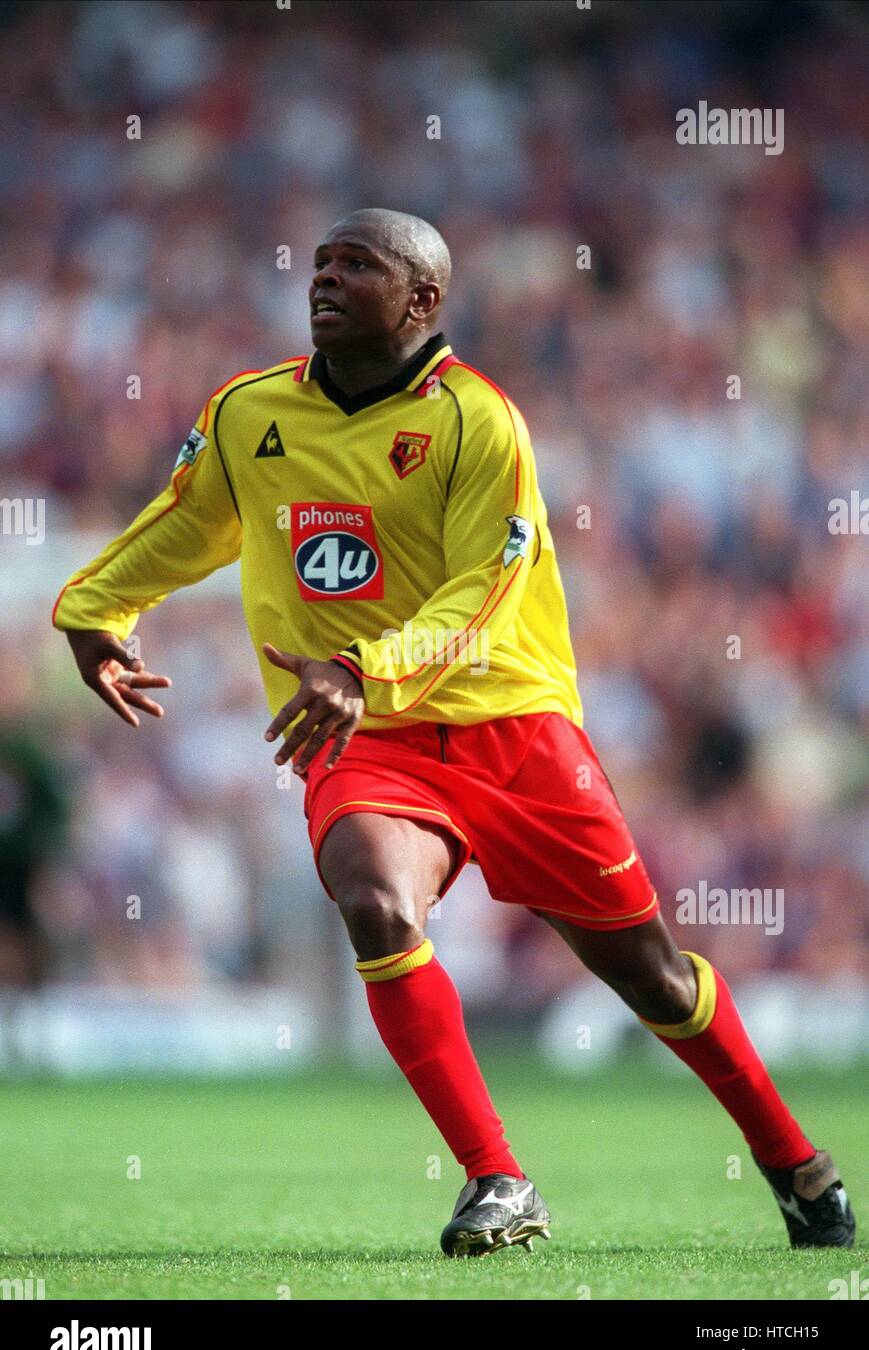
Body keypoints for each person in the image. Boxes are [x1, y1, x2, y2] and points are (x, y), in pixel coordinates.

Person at [54, 208, 855, 1256]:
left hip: (508, 729)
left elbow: (482, 593)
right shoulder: (251, 412)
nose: (325, 280)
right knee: (376, 902)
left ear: (423, 299)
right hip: (366, 737)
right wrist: (91, 607)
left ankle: (794, 1163)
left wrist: (360, 662)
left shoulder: (479, 421)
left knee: (652, 976)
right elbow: (189, 519)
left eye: (359, 266)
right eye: (322, 264)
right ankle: (496, 1176)